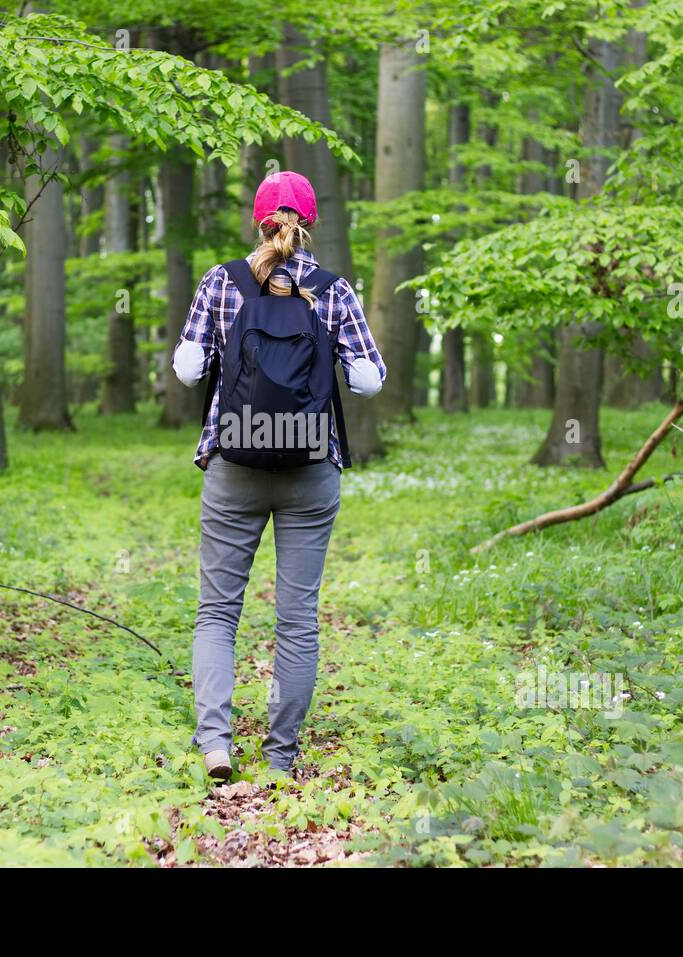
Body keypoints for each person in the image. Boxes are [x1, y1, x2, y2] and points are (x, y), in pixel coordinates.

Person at [171, 170, 387, 781]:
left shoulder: (223, 281)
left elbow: (189, 371)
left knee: (217, 613)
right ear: (310, 224)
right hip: (310, 469)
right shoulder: (333, 290)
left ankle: (215, 743)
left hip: (234, 463)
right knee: (296, 618)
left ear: (257, 221)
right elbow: (369, 380)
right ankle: (280, 757)